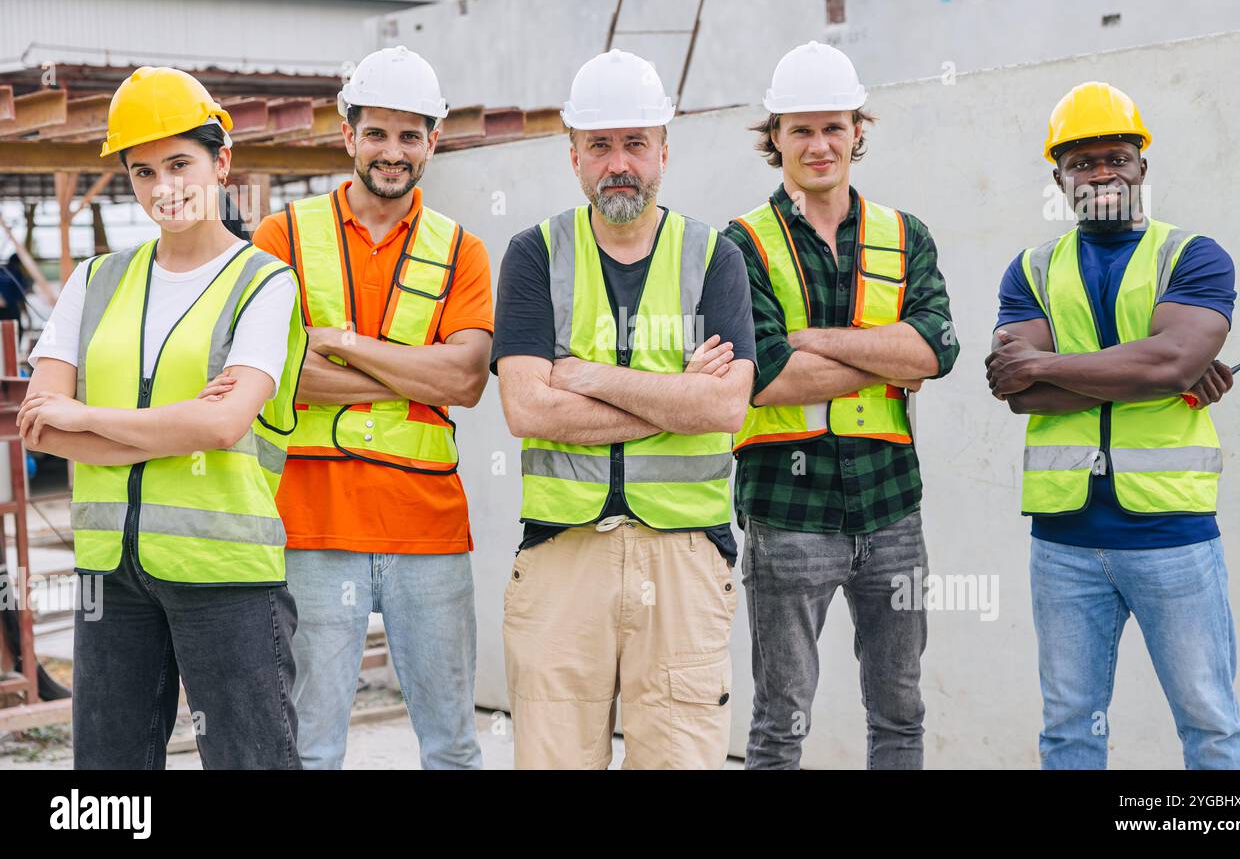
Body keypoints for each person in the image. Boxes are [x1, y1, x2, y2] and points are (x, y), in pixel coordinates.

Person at [18, 66, 307, 769]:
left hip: (225, 576)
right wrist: (163, 427)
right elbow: (40, 425)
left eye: (180, 163)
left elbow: (220, 427)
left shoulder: (264, 285)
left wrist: (88, 417)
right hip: (109, 577)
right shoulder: (94, 280)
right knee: (108, 785)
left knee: (252, 763)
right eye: (142, 171)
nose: (162, 187)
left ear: (222, 161)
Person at [493, 49, 755, 769]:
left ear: (664, 152)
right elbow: (526, 408)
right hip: (560, 554)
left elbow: (729, 404)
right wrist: (679, 396)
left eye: (635, 143)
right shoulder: (534, 254)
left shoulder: (715, 256)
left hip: (684, 555)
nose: (619, 163)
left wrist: (581, 375)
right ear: (573, 155)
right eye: (601, 145)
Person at [986, 81, 1240, 769]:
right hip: (1064, 543)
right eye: (1082, 163)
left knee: (1209, 724)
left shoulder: (1191, 255)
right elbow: (1019, 394)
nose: (1100, 173)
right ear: (1059, 177)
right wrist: (1145, 372)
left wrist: (1052, 365)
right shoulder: (1032, 269)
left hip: (1172, 537)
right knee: (1070, 729)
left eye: (1115, 158)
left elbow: (1171, 360)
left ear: (1141, 165)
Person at [252, 46, 493, 770]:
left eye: (410, 134)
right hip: (315, 528)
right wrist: (417, 372)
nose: (393, 151)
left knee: (451, 747)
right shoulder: (281, 238)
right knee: (311, 748)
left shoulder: (463, 251)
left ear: (433, 141)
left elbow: (468, 380)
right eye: (378, 132)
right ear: (347, 133)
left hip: (430, 531)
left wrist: (341, 347)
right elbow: (279, 378)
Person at [725, 42, 959, 769]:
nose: (819, 144)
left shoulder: (904, 234)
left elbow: (935, 352)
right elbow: (764, 376)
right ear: (775, 140)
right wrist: (880, 355)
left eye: (834, 127)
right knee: (780, 720)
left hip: (892, 508)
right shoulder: (740, 244)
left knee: (901, 712)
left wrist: (813, 340)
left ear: (859, 130)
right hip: (787, 513)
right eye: (800, 129)